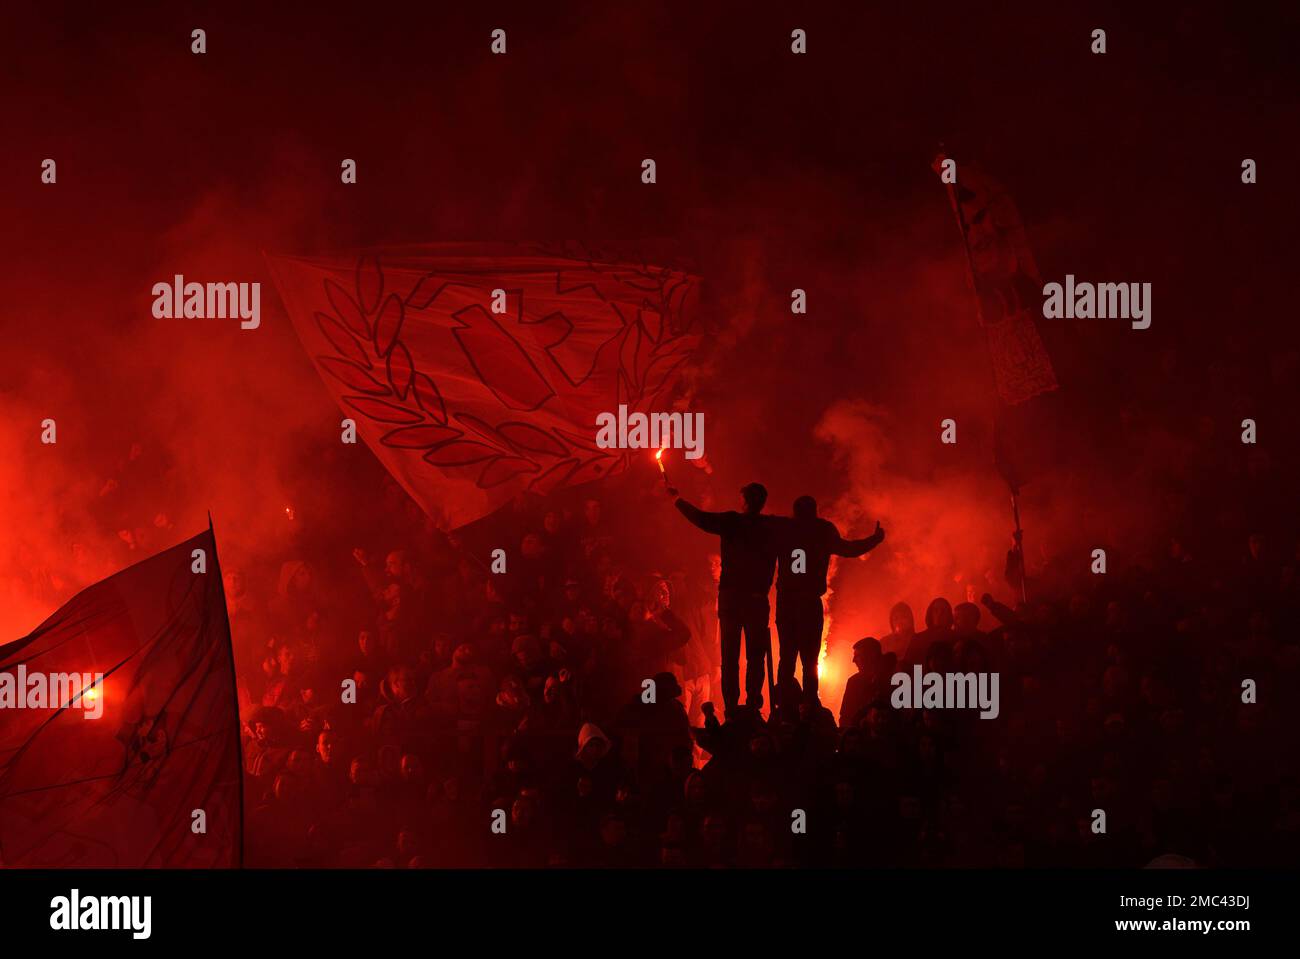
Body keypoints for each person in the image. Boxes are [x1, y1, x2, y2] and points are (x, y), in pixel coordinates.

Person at [668, 482, 778, 713]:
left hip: (732, 599)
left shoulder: (732, 521)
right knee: (755, 656)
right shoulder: (771, 526)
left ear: (745, 501)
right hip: (757, 600)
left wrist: (677, 500)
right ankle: (753, 704)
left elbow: (702, 519)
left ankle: (730, 707)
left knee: (730, 655)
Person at [772, 495, 884, 704]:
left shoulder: (784, 528)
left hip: (788, 602)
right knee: (808, 660)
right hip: (806, 602)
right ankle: (808, 705)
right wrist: (874, 539)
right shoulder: (821, 530)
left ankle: (787, 706)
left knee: (789, 658)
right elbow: (849, 549)